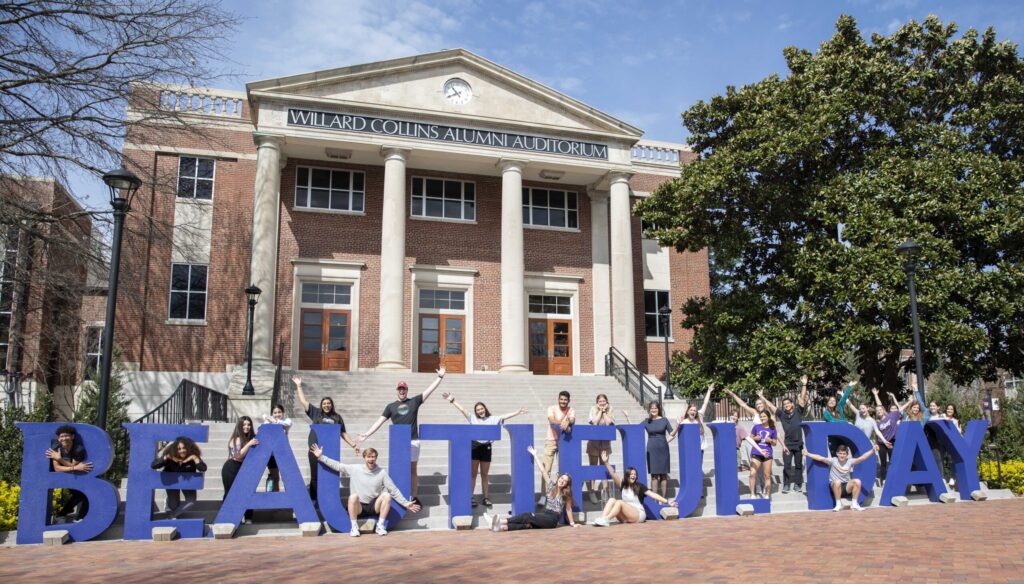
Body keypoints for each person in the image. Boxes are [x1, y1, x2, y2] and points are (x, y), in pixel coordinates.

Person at [358, 366, 447, 502]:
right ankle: (397, 497)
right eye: (400, 389)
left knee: (412, 470)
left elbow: (429, 390)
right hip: (398, 442)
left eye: (404, 389)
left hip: (413, 441)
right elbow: (379, 421)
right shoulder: (390, 407)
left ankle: (414, 497)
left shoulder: (414, 402)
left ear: (406, 390)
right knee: (398, 469)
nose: (402, 391)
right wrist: (367, 434)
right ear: (397, 391)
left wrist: (440, 377)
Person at [309, 444, 422, 537]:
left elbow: (394, 490)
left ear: (376, 458)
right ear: (364, 458)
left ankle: (380, 526)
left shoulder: (381, 472)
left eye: (373, 457)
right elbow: (338, 466)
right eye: (369, 457)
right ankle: (354, 527)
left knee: (386, 495)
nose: (371, 459)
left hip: (374, 506)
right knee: (353, 497)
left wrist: (406, 503)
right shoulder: (355, 469)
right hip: (359, 506)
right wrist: (321, 457)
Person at [442, 391, 527, 507]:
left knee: (484, 474)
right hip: (474, 447)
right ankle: (471, 497)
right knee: (473, 474)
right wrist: (452, 400)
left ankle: (486, 497)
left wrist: (517, 412)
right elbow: (463, 410)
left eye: (481, 409)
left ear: (485, 409)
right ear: (476, 412)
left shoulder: (493, 419)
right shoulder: (472, 418)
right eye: (478, 410)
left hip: (486, 447)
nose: (480, 411)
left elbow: (504, 416)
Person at [484, 445, 579, 531]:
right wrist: (535, 455)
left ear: (567, 484)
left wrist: (572, 523)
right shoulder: (551, 486)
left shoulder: (566, 494)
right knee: (528, 525)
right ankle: (500, 528)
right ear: (559, 477)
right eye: (561, 478)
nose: (562, 481)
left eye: (564, 481)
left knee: (527, 515)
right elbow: (543, 471)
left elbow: (568, 509)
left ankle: (499, 521)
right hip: (546, 514)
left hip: (552, 520)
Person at [293, 375, 359, 500]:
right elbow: (303, 401)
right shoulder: (316, 413)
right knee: (315, 475)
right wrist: (299, 386)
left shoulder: (337, 417)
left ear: (332, 405)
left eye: (328, 403)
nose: (326, 405)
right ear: (321, 405)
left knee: (329, 475)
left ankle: (328, 499)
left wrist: (354, 445)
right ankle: (314, 500)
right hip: (315, 449)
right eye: (324, 403)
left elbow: (343, 433)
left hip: (330, 451)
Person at [591, 452, 677, 526]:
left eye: (634, 474)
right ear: (627, 475)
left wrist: (667, 501)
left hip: (638, 514)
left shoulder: (639, 486)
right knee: (612, 500)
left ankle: (606, 519)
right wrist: (606, 462)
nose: (633, 476)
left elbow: (653, 495)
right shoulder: (622, 485)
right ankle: (602, 518)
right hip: (626, 516)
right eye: (631, 474)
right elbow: (613, 473)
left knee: (619, 502)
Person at [759, 375, 808, 493]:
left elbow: (802, 399)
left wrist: (804, 384)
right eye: (784, 404)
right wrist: (762, 397)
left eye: (788, 403)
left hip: (799, 443)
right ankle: (786, 485)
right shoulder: (782, 414)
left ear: (792, 404)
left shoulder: (798, 411)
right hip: (787, 444)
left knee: (798, 465)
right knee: (786, 465)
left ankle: (798, 484)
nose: (786, 405)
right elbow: (771, 406)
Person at [803, 443, 878, 511]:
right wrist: (808, 454)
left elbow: (862, 458)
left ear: (847, 455)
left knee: (857, 481)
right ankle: (838, 504)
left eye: (844, 454)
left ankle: (854, 504)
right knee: (837, 482)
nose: (842, 455)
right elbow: (820, 458)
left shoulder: (850, 461)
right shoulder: (833, 460)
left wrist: (872, 450)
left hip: (846, 487)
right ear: (837, 454)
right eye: (840, 453)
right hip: (834, 485)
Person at [723, 387, 769, 491]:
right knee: (754, 465)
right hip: (752, 441)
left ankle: (764, 485)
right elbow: (743, 404)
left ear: (764, 404)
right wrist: (732, 393)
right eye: (757, 404)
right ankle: (757, 485)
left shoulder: (769, 415)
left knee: (763, 467)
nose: (759, 405)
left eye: (761, 403)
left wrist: (762, 396)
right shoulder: (755, 413)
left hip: (764, 443)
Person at [151, 436, 207, 517]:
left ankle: (172, 516)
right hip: (172, 481)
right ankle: (169, 501)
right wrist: (166, 457)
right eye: (179, 449)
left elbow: (203, 468)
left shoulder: (192, 456)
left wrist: (195, 458)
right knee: (174, 505)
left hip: (187, 481)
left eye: (184, 448)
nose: (182, 451)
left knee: (191, 501)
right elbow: (154, 465)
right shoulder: (170, 456)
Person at [47, 425, 92, 522]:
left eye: (66, 436)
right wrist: (75, 467)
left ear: (72, 437)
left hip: (73, 475)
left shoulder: (78, 449)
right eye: (61, 436)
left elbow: (72, 465)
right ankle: (65, 515)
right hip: (58, 475)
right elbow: (57, 468)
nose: (64, 438)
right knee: (79, 495)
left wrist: (60, 459)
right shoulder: (56, 448)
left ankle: (75, 517)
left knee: (83, 494)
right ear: (58, 438)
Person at [221, 416, 258, 522]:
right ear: (239, 426)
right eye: (244, 424)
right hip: (231, 468)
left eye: (249, 424)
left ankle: (248, 518)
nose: (246, 427)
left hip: (245, 468)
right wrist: (249, 444)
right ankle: (227, 518)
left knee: (248, 492)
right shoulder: (235, 440)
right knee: (230, 493)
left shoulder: (252, 438)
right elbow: (237, 456)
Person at [872, 388, 911, 484]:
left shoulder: (892, 416)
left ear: (884, 410)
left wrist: (909, 402)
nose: (879, 411)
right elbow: (877, 434)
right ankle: (883, 479)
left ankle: (893, 479)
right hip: (882, 443)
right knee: (883, 462)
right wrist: (875, 395)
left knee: (893, 461)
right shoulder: (876, 422)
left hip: (892, 441)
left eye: (880, 410)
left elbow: (900, 408)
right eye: (877, 411)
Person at [540, 390, 576, 485]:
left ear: (569, 401)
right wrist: (564, 422)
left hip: (564, 442)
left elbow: (572, 420)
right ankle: (545, 493)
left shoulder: (571, 410)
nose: (563, 401)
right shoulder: (551, 408)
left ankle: (559, 491)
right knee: (546, 470)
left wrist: (568, 421)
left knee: (562, 470)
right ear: (558, 399)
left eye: (565, 400)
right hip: (551, 441)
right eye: (561, 399)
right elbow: (552, 420)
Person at [585, 394, 615, 504]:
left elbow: (608, 423)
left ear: (607, 401)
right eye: (600, 401)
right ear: (597, 402)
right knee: (593, 467)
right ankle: (592, 491)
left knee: (604, 467)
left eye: (604, 401)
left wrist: (605, 412)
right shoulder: (593, 409)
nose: (602, 403)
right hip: (594, 443)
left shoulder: (610, 409)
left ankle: (605, 491)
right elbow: (595, 422)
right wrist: (600, 411)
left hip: (605, 443)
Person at [643, 400, 674, 499]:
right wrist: (627, 418)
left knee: (663, 475)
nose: (653, 410)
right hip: (651, 449)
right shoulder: (646, 421)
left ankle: (664, 498)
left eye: (655, 408)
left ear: (659, 409)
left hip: (663, 449)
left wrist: (678, 425)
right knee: (654, 475)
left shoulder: (664, 420)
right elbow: (636, 429)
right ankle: (655, 499)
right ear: (649, 410)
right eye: (652, 408)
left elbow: (672, 433)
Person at [261, 403, 292, 492]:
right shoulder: (268, 422)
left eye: (279, 412)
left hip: (283, 452)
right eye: (275, 413)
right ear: (272, 414)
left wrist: (274, 421)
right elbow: (261, 429)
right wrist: (267, 420)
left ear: (283, 413)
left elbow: (287, 424)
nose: (277, 414)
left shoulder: (286, 420)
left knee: (287, 477)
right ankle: (276, 495)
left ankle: (289, 495)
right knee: (275, 477)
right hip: (272, 454)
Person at [746, 411, 777, 498]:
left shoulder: (772, 428)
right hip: (756, 452)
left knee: (767, 475)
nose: (762, 418)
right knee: (752, 473)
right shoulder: (756, 427)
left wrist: (770, 440)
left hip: (767, 454)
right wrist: (755, 438)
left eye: (764, 416)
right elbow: (750, 438)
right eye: (761, 417)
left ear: (768, 417)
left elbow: (775, 443)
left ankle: (767, 495)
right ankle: (752, 494)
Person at [823, 381, 856, 454]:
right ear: (827, 402)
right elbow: (832, 421)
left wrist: (849, 386)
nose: (832, 402)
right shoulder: (826, 412)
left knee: (843, 454)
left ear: (836, 403)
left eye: (834, 401)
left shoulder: (839, 407)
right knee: (835, 455)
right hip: (833, 437)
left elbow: (844, 397)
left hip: (843, 435)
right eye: (830, 400)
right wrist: (845, 422)